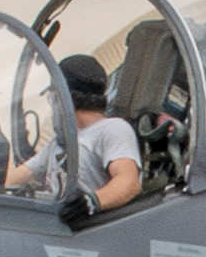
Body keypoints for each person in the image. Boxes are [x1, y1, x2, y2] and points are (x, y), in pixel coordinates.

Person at [58, 55, 145, 217]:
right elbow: (22, 173)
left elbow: (129, 182)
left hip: (85, 228)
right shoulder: (66, 140)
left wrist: (91, 201)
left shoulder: (113, 129)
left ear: (63, 97)